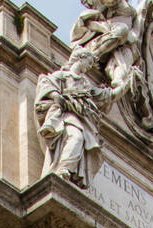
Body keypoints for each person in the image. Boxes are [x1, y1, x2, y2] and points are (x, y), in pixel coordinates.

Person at [35, 49, 114, 188]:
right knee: (76, 137)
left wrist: (127, 83)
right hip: (65, 115)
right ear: (80, 58)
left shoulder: (85, 85)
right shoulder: (62, 75)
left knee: (78, 137)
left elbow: (106, 96)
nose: (89, 67)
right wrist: (56, 96)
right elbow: (46, 83)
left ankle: (64, 169)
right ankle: (62, 169)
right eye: (88, 62)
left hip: (79, 117)